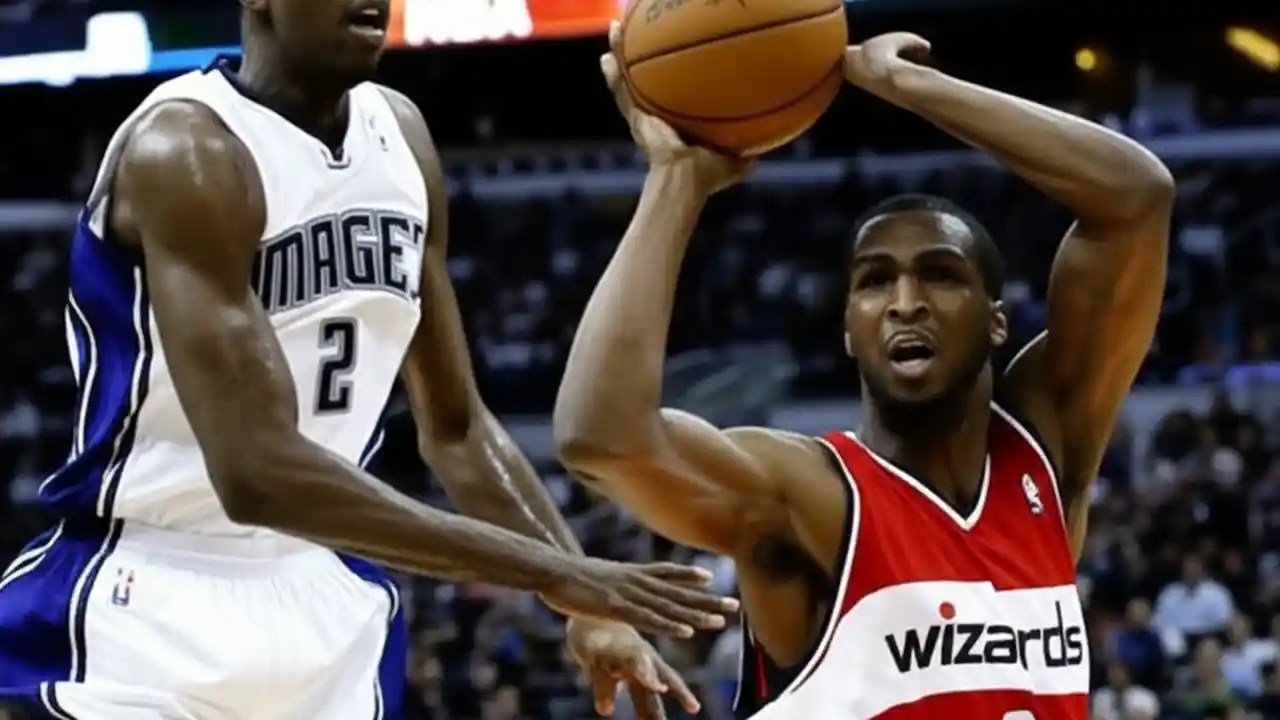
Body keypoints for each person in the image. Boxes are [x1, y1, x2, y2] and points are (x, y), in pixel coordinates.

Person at [0, 2, 737, 718]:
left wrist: (586, 607)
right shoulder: (188, 150)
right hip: (147, 596)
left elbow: (458, 431)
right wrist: (559, 572)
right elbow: (258, 476)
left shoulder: (401, 136)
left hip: (326, 602)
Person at [555, 26, 1174, 719]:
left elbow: (1137, 197)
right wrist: (676, 182)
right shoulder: (805, 496)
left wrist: (911, 86)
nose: (905, 303)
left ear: (997, 321)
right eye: (876, 282)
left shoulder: (1046, 450)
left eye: (940, 275)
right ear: (849, 330)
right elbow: (600, 437)